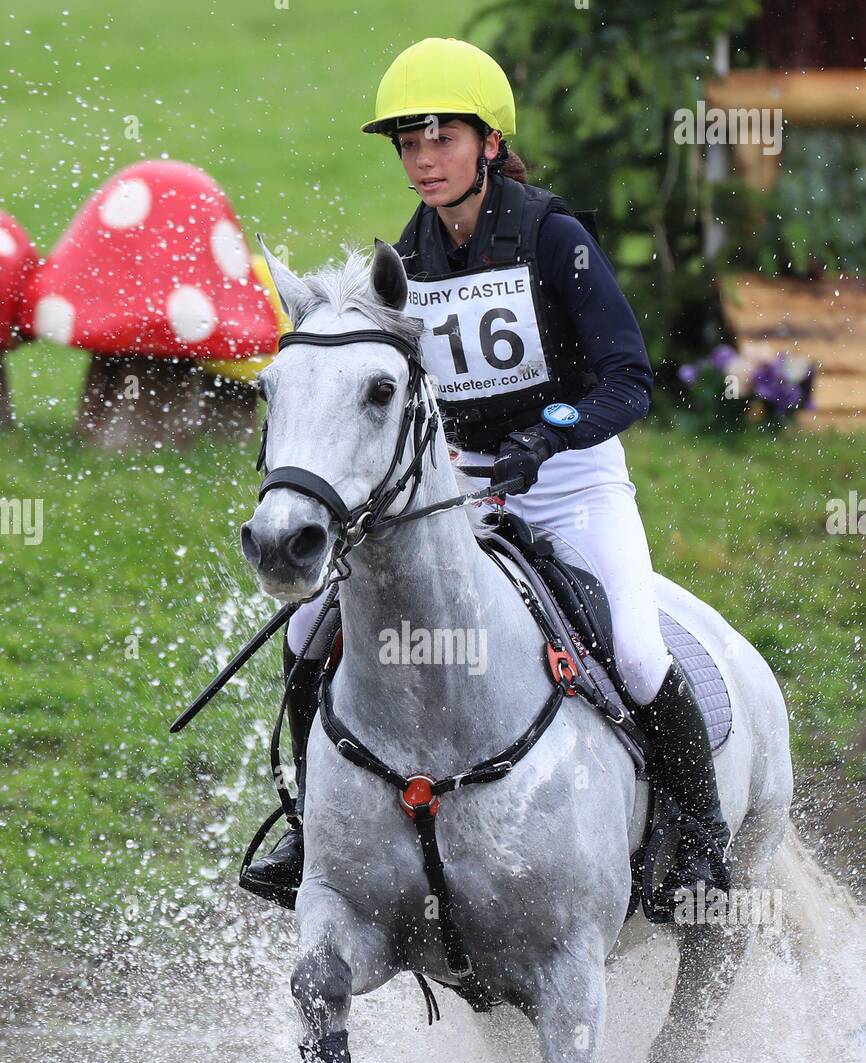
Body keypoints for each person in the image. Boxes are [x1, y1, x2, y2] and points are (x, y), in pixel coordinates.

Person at [242, 36, 731, 914]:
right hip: (456, 488)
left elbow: (629, 377)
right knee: (308, 627)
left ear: (489, 144)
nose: (423, 160)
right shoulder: (411, 256)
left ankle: (697, 841)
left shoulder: (554, 238)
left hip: (574, 479)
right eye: (408, 144)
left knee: (638, 651)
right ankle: (311, 828)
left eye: (441, 138)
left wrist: (549, 436)